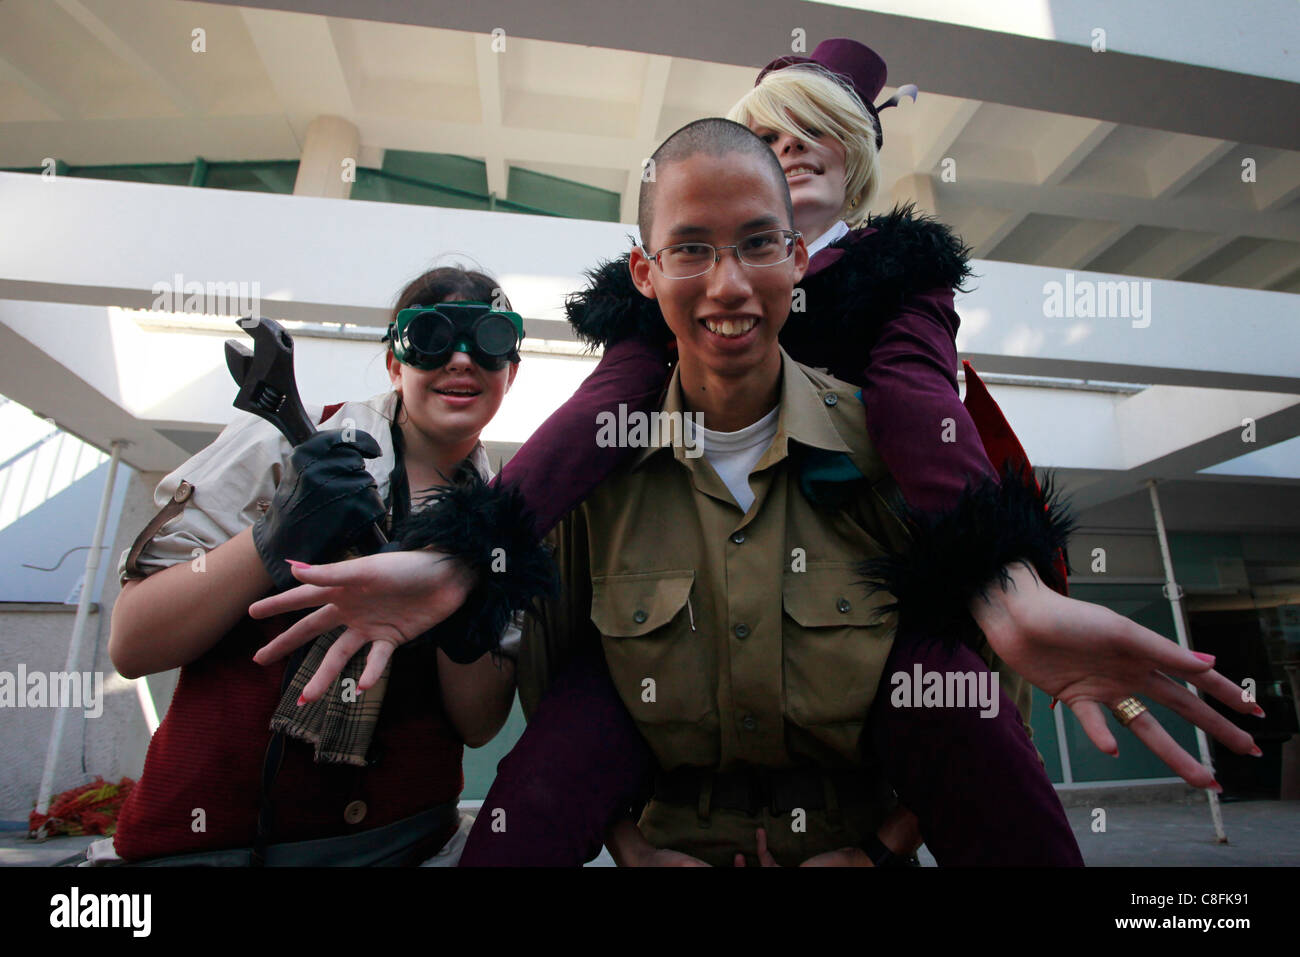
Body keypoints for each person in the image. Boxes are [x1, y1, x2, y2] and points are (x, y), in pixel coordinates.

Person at [250, 46, 1263, 864]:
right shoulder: (637, 386)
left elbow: (916, 406)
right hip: (671, 690)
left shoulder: (896, 298)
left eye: (822, 136)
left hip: (862, 643)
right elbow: (592, 417)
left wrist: (1004, 590)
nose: (727, 287)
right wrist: (463, 550)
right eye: (695, 249)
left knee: (965, 726)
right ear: (653, 269)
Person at [95, 266, 535, 866]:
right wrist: (271, 538)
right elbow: (134, 641)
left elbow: (478, 723)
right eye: (429, 337)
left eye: (487, 339)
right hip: (211, 848)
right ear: (393, 364)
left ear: (510, 370)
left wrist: (463, 615)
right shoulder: (284, 445)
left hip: (407, 844)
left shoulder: (503, 520)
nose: (461, 360)